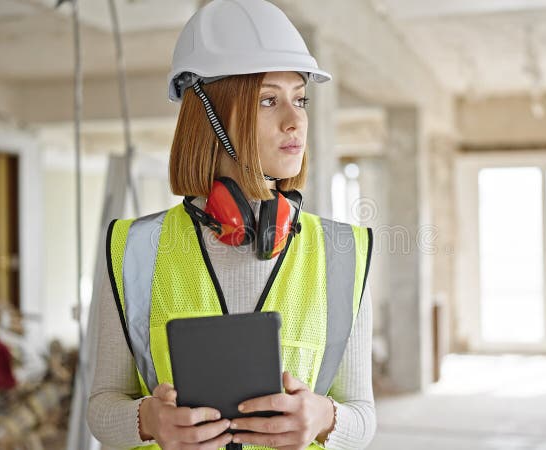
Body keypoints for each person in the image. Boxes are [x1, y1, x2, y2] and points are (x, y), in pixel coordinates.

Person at [87, 1, 376, 449]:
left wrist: (325, 417)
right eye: (268, 99)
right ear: (209, 117)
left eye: (300, 98)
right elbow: (102, 405)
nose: (294, 118)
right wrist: (149, 420)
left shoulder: (343, 251)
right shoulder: (134, 249)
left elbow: (364, 415)